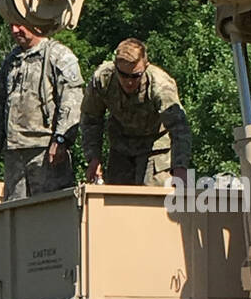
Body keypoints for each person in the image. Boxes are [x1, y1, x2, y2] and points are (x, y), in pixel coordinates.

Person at [0, 14, 83, 200]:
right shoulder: (12, 60)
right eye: (12, 25)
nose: (14, 30)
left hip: (46, 152)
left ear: (35, 22)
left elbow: (72, 99)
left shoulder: (58, 55)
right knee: (16, 217)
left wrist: (61, 139)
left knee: (51, 213)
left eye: (20, 24)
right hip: (14, 154)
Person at [80, 38, 193, 187]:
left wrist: (180, 167)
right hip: (121, 147)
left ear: (145, 67)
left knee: (153, 198)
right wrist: (94, 158)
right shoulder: (103, 80)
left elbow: (179, 127)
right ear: (115, 67)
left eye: (135, 76)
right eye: (123, 75)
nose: (129, 82)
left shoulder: (160, 85)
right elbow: (91, 119)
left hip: (155, 147)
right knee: (116, 201)